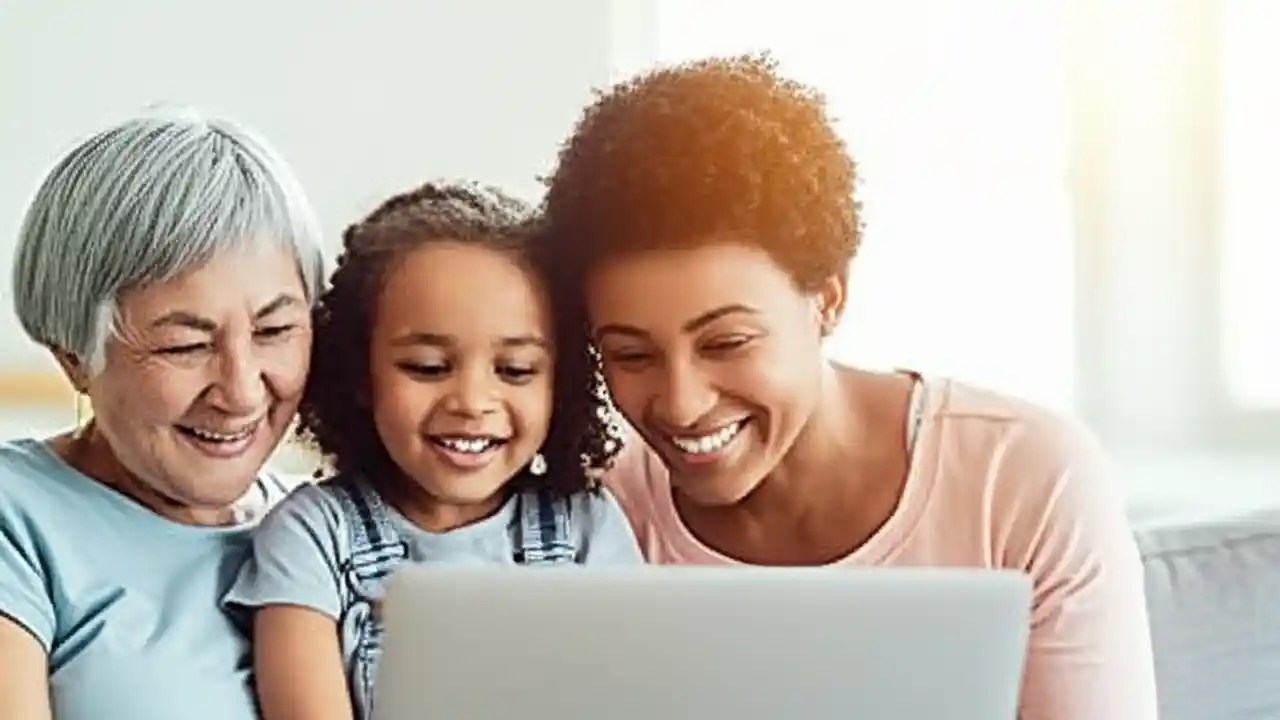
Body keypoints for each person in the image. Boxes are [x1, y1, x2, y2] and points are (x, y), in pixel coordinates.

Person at [539, 54, 1158, 719]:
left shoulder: (1024, 477)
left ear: (828, 300)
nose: (681, 404)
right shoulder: (595, 514)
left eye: (726, 343)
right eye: (631, 355)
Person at [224, 181, 643, 720]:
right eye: (427, 367)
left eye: (515, 371)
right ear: (360, 374)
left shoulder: (588, 527)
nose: (472, 402)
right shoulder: (312, 538)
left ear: (558, 384)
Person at [0, 112, 324, 720]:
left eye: (276, 329)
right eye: (185, 346)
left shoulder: (323, 526)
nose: (242, 392)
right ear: (73, 357)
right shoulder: (16, 523)